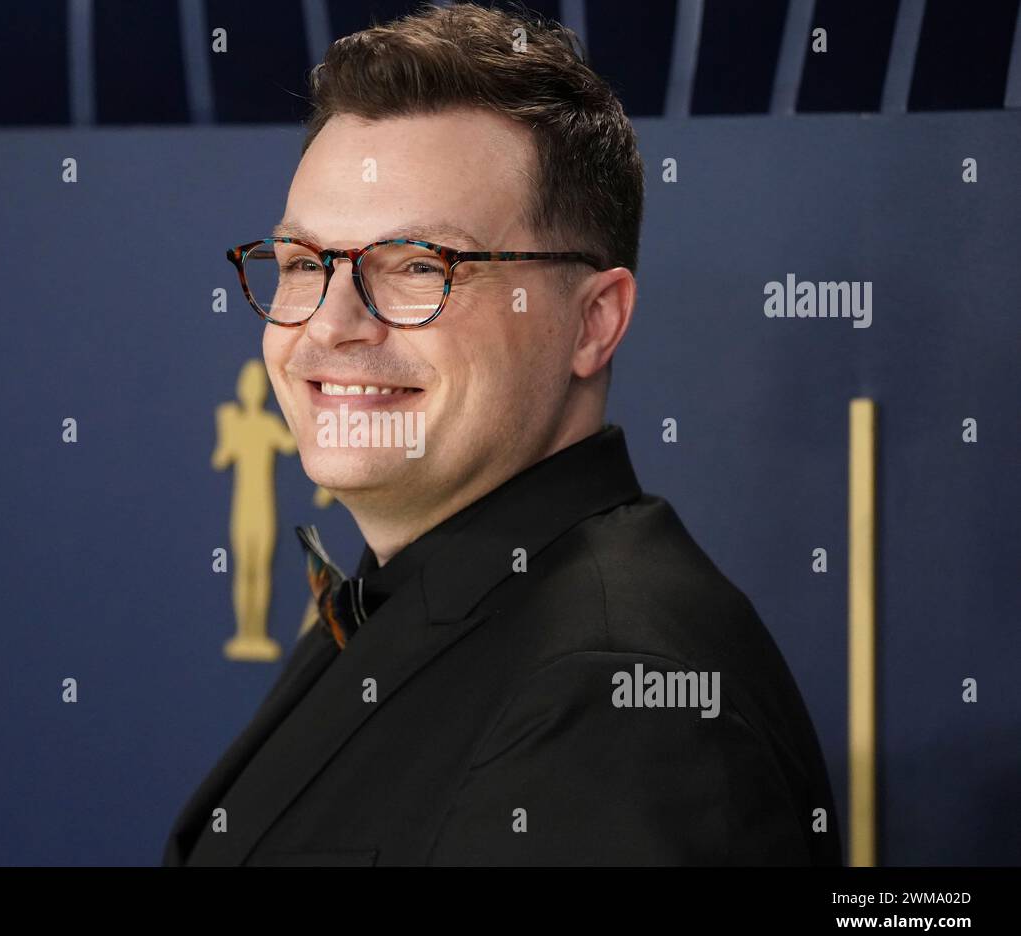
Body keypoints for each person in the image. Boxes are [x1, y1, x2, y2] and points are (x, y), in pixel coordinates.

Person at [165, 3, 841, 866]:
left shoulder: (612, 694)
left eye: (417, 267)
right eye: (305, 265)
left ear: (594, 322)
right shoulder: (413, 597)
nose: (331, 327)